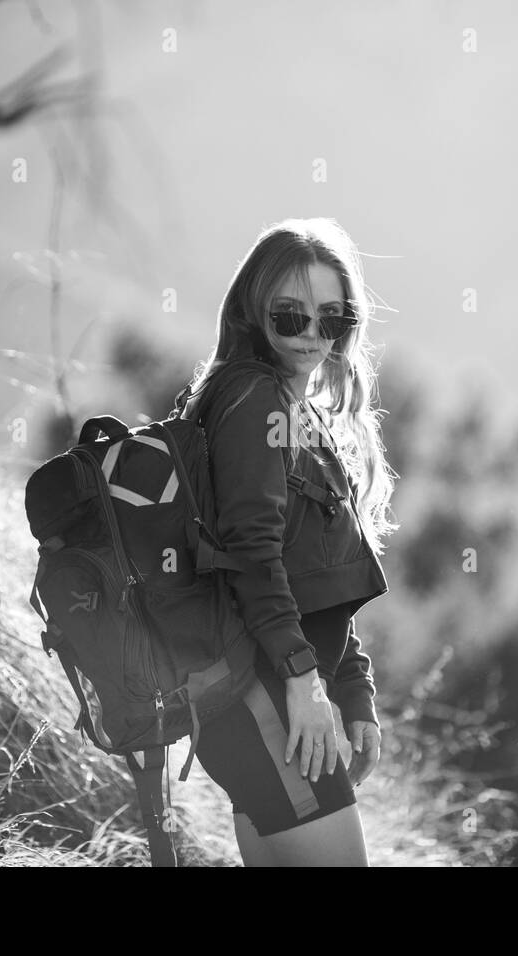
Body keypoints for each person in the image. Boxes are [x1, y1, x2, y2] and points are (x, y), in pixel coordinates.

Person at [174, 217, 399, 866]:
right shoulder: (255, 403)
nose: (311, 336)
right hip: (260, 699)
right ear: (254, 313)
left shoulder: (301, 416)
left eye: (331, 318)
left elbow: (318, 578)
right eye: (289, 316)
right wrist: (305, 687)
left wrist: (353, 694)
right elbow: (253, 557)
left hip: (266, 704)